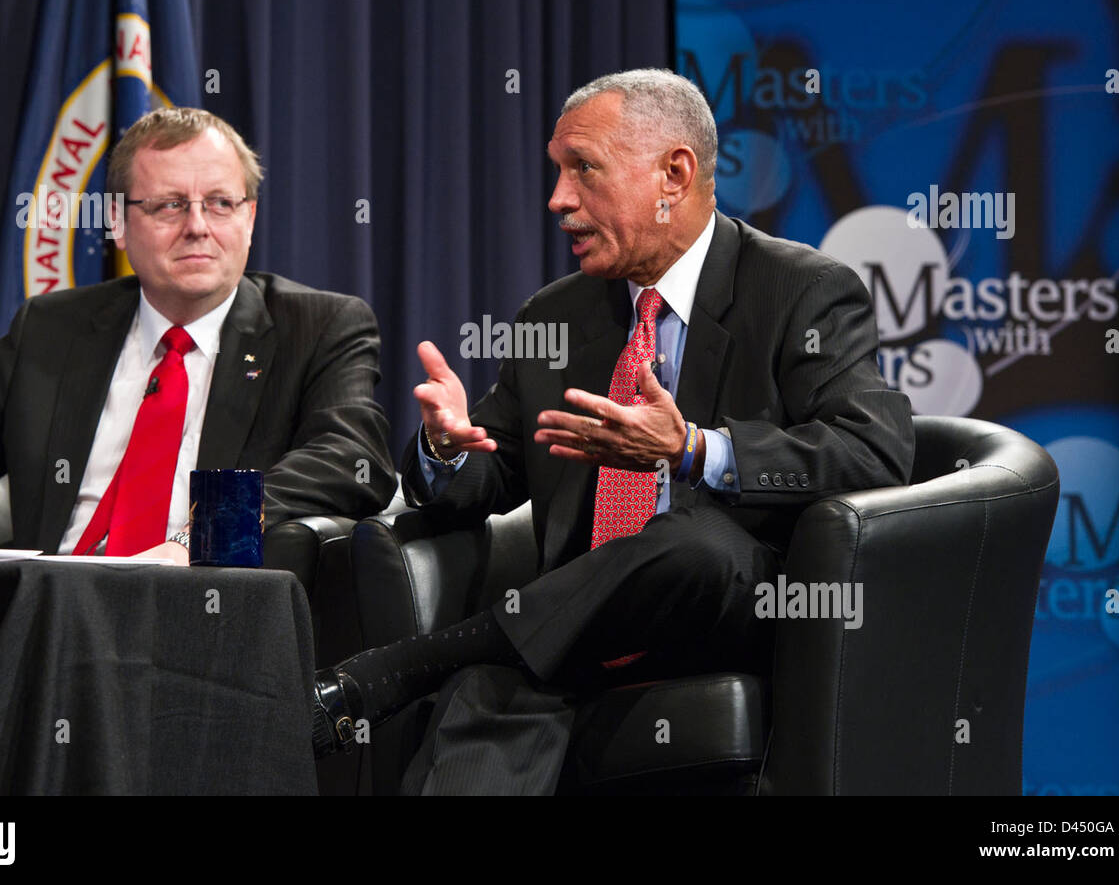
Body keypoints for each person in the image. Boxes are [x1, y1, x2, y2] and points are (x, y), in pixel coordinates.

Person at [312, 69, 915, 792]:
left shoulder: (802, 291)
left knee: (691, 542)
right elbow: (491, 475)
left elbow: (875, 449)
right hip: (578, 625)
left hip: (735, 604)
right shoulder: (555, 316)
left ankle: (396, 671)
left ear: (674, 173)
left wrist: (694, 449)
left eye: (583, 170)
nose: (558, 199)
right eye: (557, 171)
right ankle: (462, 663)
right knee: (489, 691)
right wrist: (446, 447)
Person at [0, 107, 395, 559]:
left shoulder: (320, 326)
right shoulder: (53, 330)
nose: (197, 226)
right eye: (169, 205)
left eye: (220, 203)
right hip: (51, 606)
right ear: (117, 222)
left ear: (249, 218)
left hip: (212, 613)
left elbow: (352, 458)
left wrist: (201, 536)